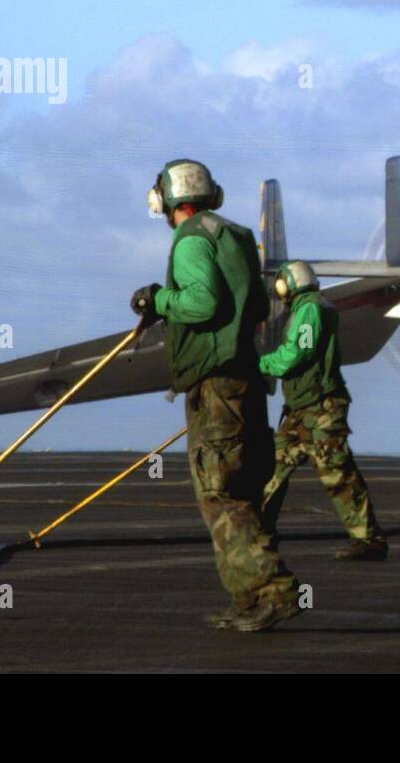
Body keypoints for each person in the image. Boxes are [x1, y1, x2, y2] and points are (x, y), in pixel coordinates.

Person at [131, 159, 302, 630]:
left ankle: (274, 590)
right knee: (243, 486)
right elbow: (258, 303)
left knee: (220, 492)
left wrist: (158, 300)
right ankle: (248, 600)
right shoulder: (238, 236)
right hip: (245, 378)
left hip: (215, 383)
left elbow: (202, 302)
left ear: (170, 199)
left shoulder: (190, 240)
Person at [259, 260, 388, 561]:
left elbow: (296, 354)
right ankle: (259, 534)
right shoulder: (318, 306)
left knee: (337, 475)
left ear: (286, 285)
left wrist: (260, 364)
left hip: (320, 410)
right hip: (302, 410)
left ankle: (369, 540)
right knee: (273, 470)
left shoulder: (310, 309)